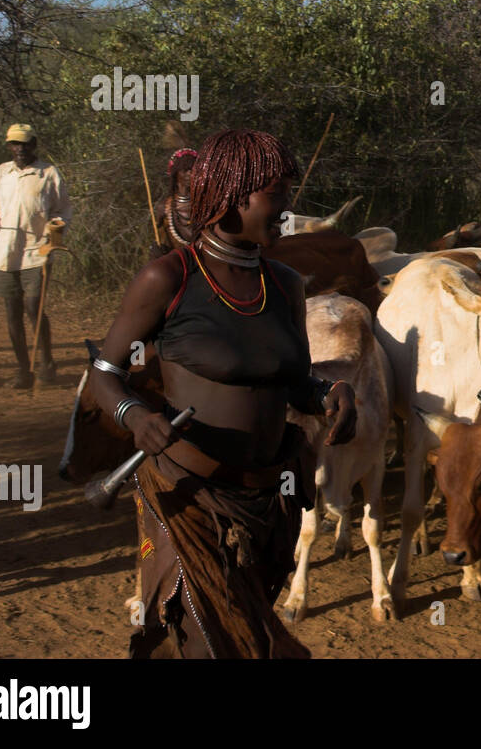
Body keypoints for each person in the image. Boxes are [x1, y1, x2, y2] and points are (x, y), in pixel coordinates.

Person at [87, 128, 358, 659]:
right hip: (187, 496)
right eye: (276, 194)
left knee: (243, 634)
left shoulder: (284, 284)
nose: (287, 207)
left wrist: (330, 392)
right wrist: (133, 414)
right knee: (209, 643)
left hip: (266, 501)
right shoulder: (167, 279)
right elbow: (103, 370)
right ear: (235, 197)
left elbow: (295, 381)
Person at [0, 123, 73, 388]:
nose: (19, 149)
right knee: (12, 312)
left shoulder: (48, 173)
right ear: (9, 146)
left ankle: (46, 362)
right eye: (14, 144)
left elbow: (63, 210)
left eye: (24, 144)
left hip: (37, 252)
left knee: (34, 308)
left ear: (34, 144)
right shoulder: (2, 173)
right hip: (5, 252)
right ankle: (23, 370)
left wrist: (55, 230)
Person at [153, 148, 198, 256]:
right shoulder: (164, 208)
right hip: (179, 266)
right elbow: (161, 243)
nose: (190, 173)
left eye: (193, 169)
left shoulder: (206, 205)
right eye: (186, 170)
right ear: (175, 174)